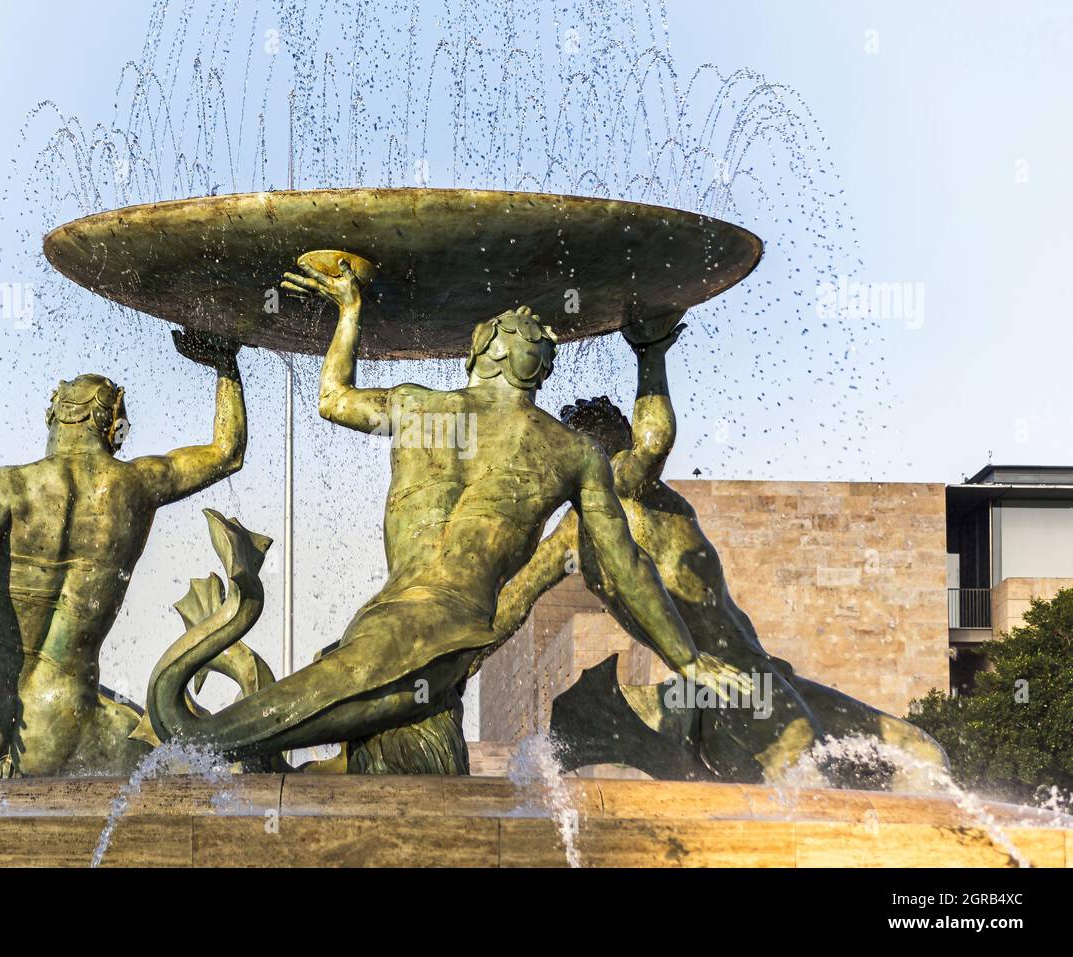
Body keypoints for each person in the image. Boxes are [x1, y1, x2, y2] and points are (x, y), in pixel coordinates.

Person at [161, 259, 747, 766]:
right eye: (530, 330)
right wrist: (349, 309)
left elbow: (625, 567)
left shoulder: (506, 433)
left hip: (427, 633)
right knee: (210, 735)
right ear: (490, 347)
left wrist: (350, 311)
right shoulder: (508, 432)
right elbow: (334, 401)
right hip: (405, 631)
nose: (545, 335)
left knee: (211, 735)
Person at [488, 311, 947, 782]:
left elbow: (510, 603)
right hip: (734, 686)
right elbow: (656, 440)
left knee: (919, 754)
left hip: (757, 676)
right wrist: (650, 356)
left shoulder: (573, 534)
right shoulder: (621, 486)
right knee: (810, 791)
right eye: (610, 435)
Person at [0, 332, 246, 777]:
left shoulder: (12, 485)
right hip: (60, 723)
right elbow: (226, 453)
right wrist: (225, 365)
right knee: (194, 771)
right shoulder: (138, 484)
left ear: (54, 417)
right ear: (113, 420)